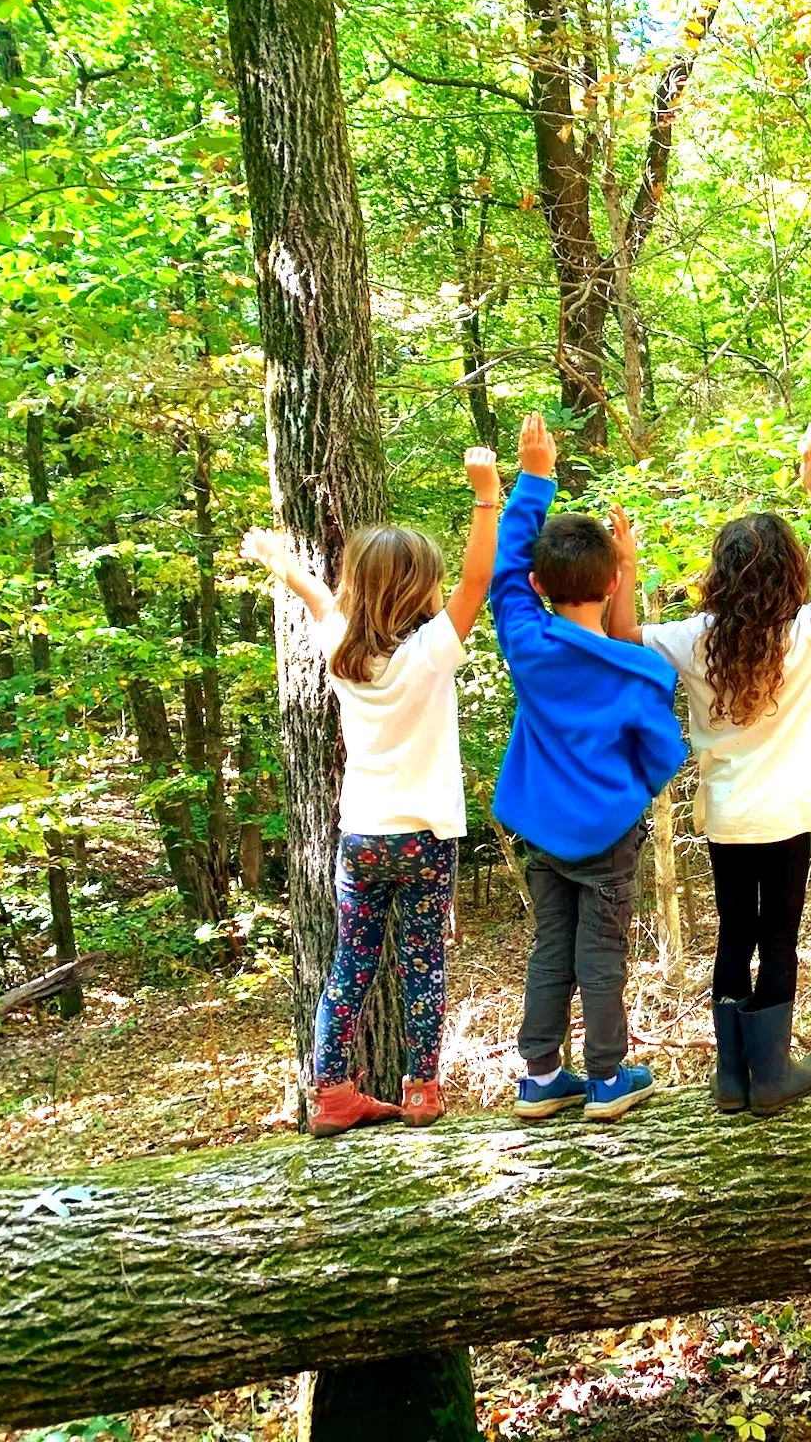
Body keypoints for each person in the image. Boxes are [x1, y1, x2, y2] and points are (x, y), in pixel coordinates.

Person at [240, 444, 502, 1137]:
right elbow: (479, 579)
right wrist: (485, 495)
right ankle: (421, 1090)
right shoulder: (432, 650)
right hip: (426, 837)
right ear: (421, 590)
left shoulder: (340, 650)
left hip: (362, 837)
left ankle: (331, 1092)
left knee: (350, 964)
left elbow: (319, 599)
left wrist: (282, 564)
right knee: (422, 966)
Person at [607, 428, 811, 1116]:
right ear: (790, 573)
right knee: (778, 932)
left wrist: (625, 567)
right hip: (789, 815)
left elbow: (619, 634)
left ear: (721, 570)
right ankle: (771, 1075)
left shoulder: (694, 639)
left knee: (735, 932)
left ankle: (731, 1078)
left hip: (726, 817)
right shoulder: (807, 631)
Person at [493, 413, 687, 1123]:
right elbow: (665, 754)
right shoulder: (640, 672)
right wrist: (625, 794)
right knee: (601, 951)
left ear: (543, 584)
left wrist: (534, 478)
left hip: (542, 830)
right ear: (610, 583)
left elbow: (505, 571)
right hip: (607, 834)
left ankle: (541, 1075)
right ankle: (607, 1076)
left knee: (553, 947)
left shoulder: (527, 638)